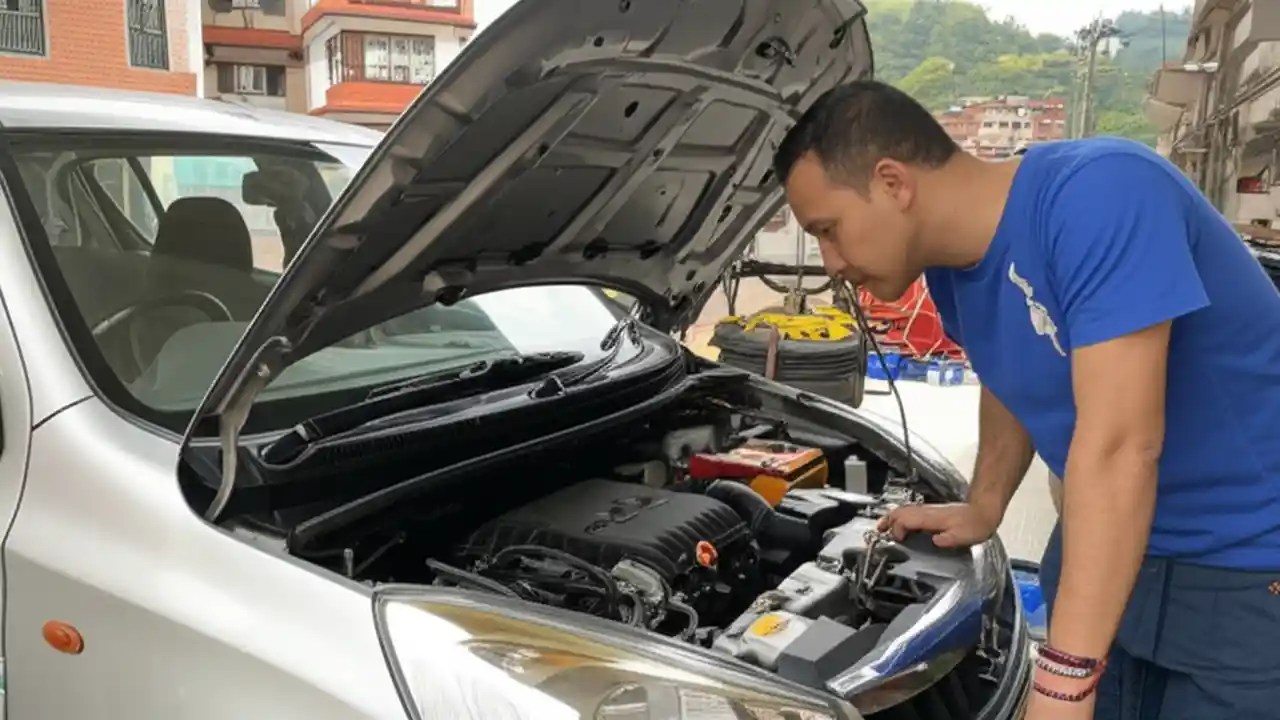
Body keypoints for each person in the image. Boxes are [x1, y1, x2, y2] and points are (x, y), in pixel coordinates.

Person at [772, 80, 1280, 720]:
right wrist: (984, 505)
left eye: (829, 229)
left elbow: (1122, 447)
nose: (830, 262)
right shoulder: (951, 274)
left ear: (893, 182)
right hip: (1110, 553)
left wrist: (1064, 682)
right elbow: (1012, 374)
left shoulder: (1102, 194)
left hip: (1247, 570)